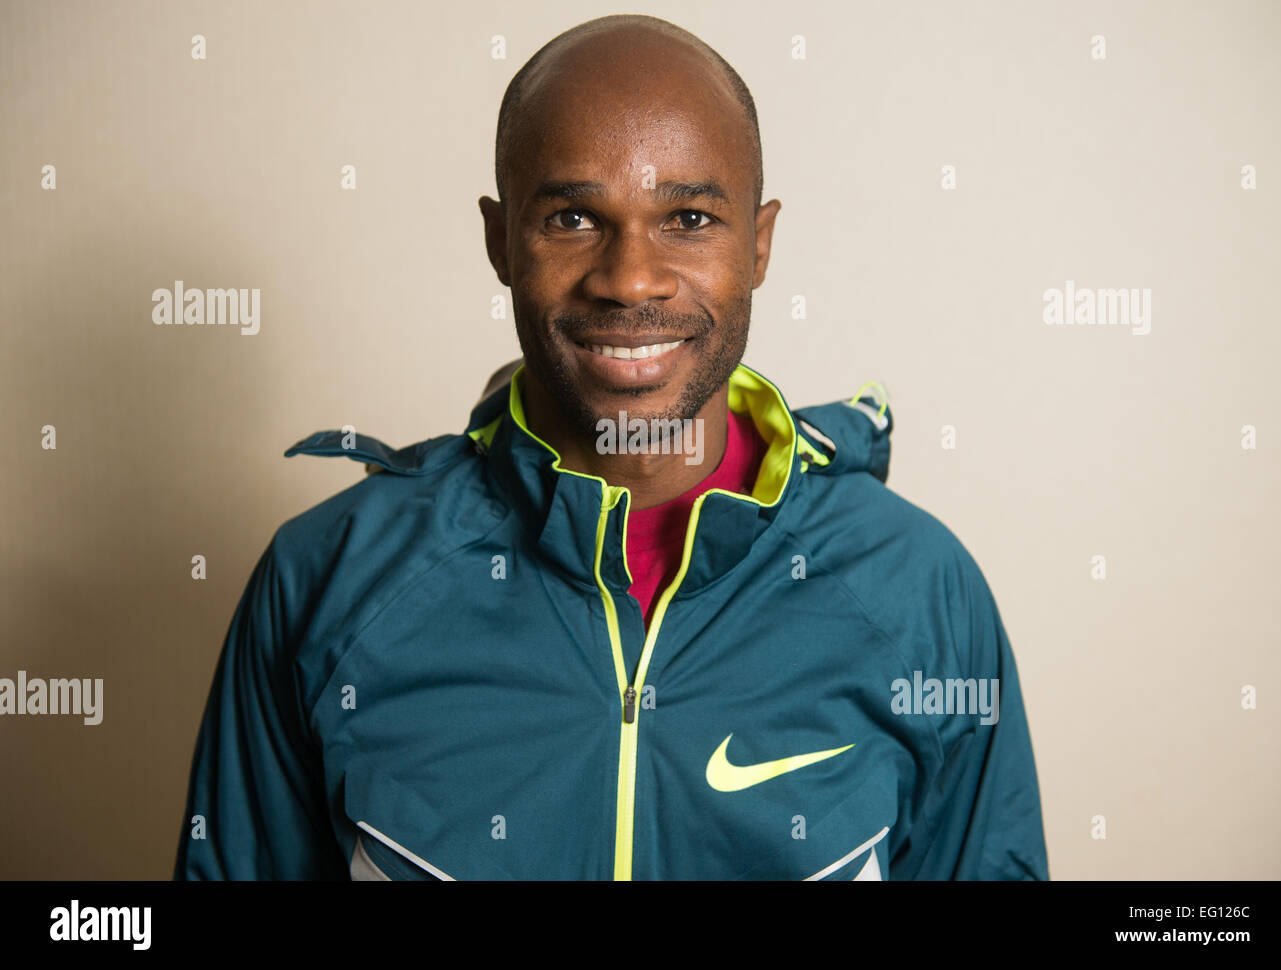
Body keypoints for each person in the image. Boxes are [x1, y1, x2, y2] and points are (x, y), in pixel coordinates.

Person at [174, 14, 1047, 880]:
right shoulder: (327, 578)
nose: (631, 279)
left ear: (760, 242)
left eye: (692, 218)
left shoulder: (919, 590)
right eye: (573, 218)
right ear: (499, 239)